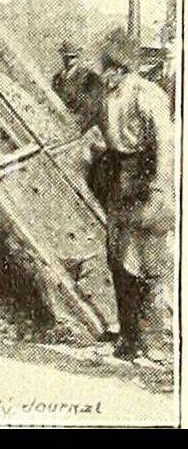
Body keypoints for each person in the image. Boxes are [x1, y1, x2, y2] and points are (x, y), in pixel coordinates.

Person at [88, 28, 175, 363]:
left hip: (144, 176)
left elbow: (164, 146)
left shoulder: (147, 94)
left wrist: (157, 187)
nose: (103, 73)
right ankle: (129, 338)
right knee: (118, 260)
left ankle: (153, 341)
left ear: (122, 67)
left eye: (109, 67)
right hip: (118, 177)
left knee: (149, 261)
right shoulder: (108, 95)